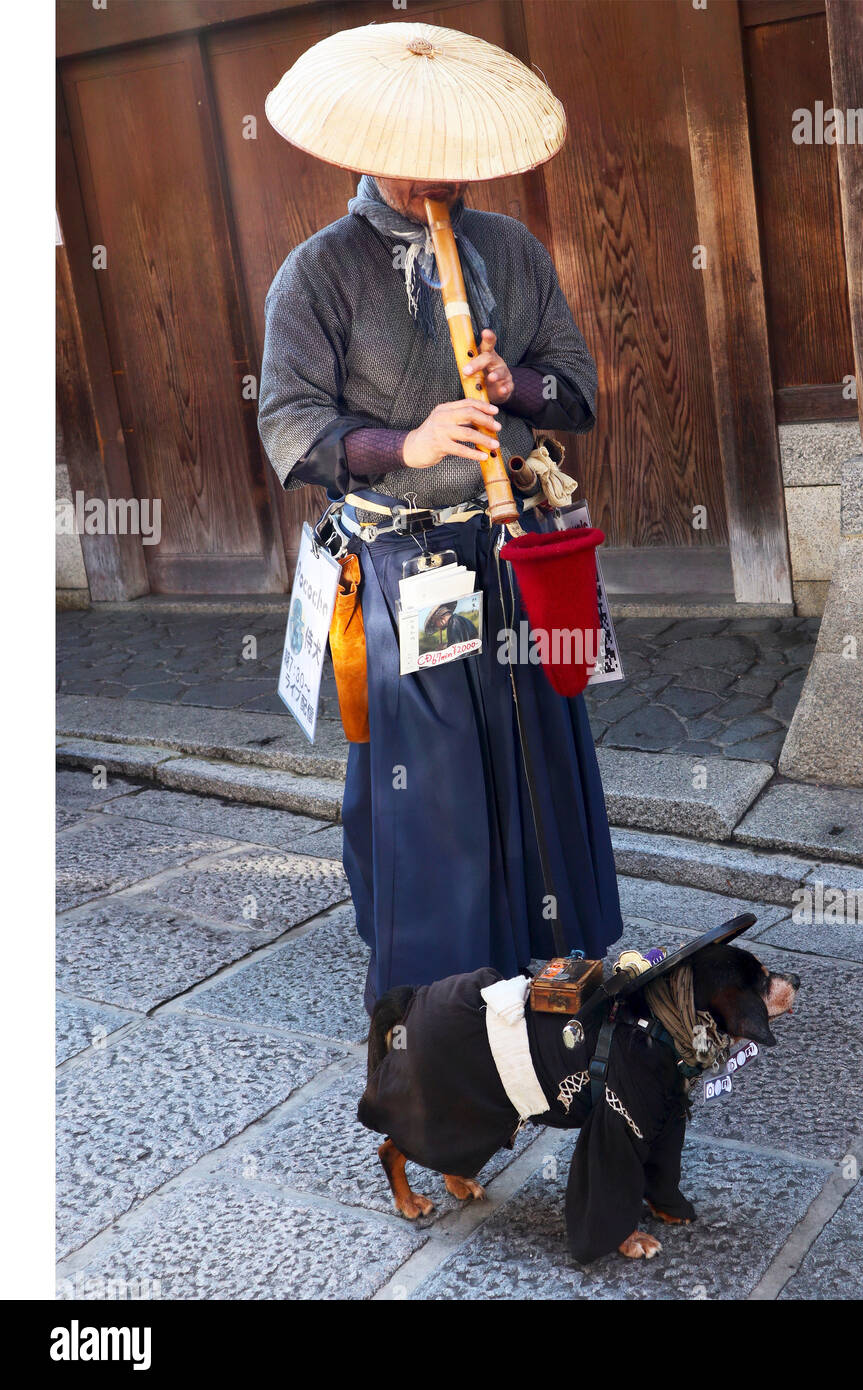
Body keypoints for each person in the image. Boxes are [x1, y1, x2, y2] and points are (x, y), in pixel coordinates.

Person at [258, 27, 623, 1010]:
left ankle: (560, 960)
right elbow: (288, 425)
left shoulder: (506, 247)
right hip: (413, 561)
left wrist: (522, 385)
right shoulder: (318, 272)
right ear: (362, 147)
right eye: (409, 153)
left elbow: (580, 389)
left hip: (515, 546)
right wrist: (408, 443)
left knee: (543, 737)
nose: (432, 172)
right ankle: (445, 992)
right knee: (438, 771)